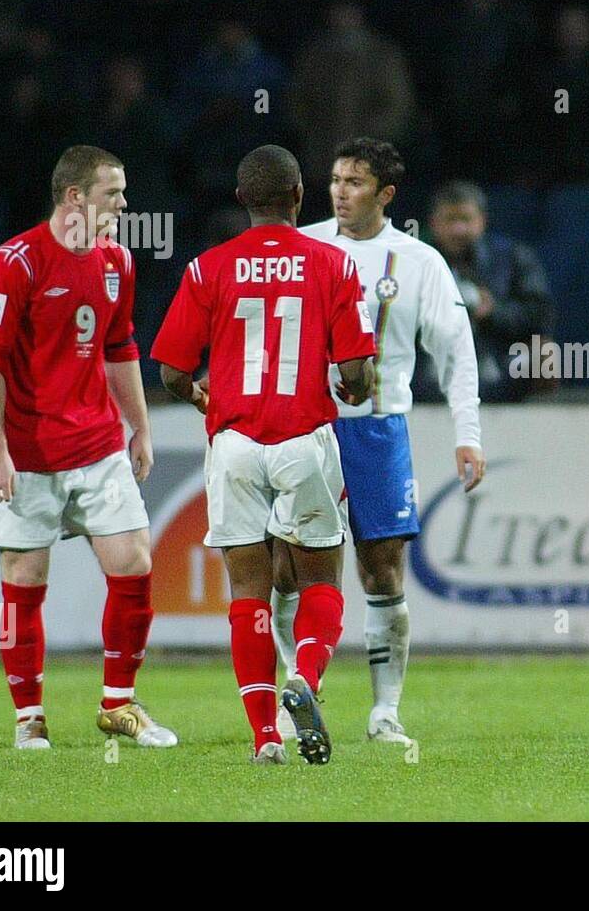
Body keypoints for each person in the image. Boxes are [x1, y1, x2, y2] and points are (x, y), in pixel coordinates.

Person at [151, 145, 376, 764]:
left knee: (247, 591)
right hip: (303, 440)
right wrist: (352, 387)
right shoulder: (333, 263)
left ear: (242, 199)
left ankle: (264, 739)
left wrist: (199, 395)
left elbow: (170, 369)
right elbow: (356, 369)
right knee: (320, 580)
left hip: (235, 445)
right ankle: (303, 677)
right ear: (300, 196)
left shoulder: (207, 268)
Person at [279, 138, 484, 746]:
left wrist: (466, 434)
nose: (340, 191)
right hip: (306, 426)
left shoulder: (418, 261)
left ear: (385, 194)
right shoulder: (304, 246)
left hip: (378, 427)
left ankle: (383, 713)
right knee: (290, 570)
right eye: (335, 179)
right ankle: (295, 697)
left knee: (383, 571)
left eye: (355, 182)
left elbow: (456, 352)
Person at [0, 145, 174, 750]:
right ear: (74, 197)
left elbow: (120, 345)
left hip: (99, 444)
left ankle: (119, 704)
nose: (123, 204)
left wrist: (140, 425)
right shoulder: (15, 263)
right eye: (113, 193)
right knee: (24, 576)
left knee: (134, 562)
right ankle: (29, 715)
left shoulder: (117, 260)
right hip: (28, 453)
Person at [414, 180, 556, 403]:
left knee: (545, 352)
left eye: (466, 219)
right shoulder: (413, 261)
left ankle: (538, 426)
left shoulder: (513, 258)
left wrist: (492, 311)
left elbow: (541, 316)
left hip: (497, 363)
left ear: (482, 221)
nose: (458, 229)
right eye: (450, 220)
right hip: (427, 366)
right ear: (433, 223)